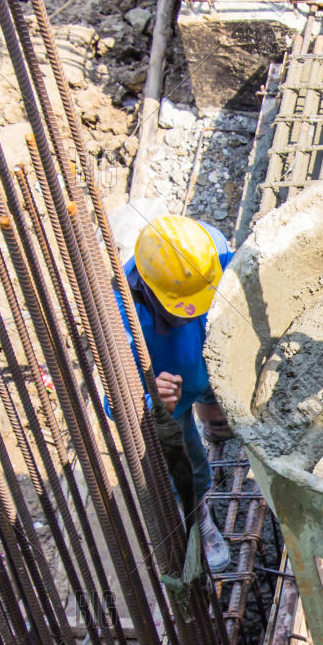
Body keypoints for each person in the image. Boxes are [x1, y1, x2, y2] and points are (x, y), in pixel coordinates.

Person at [116, 214, 233, 571]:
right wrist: (153, 403)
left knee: (220, 403)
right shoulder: (124, 319)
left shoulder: (208, 249)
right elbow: (114, 400)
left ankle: (216, 426)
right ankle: (200, 516)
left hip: (216, 359)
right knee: (186, 459)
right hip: (173, 398)